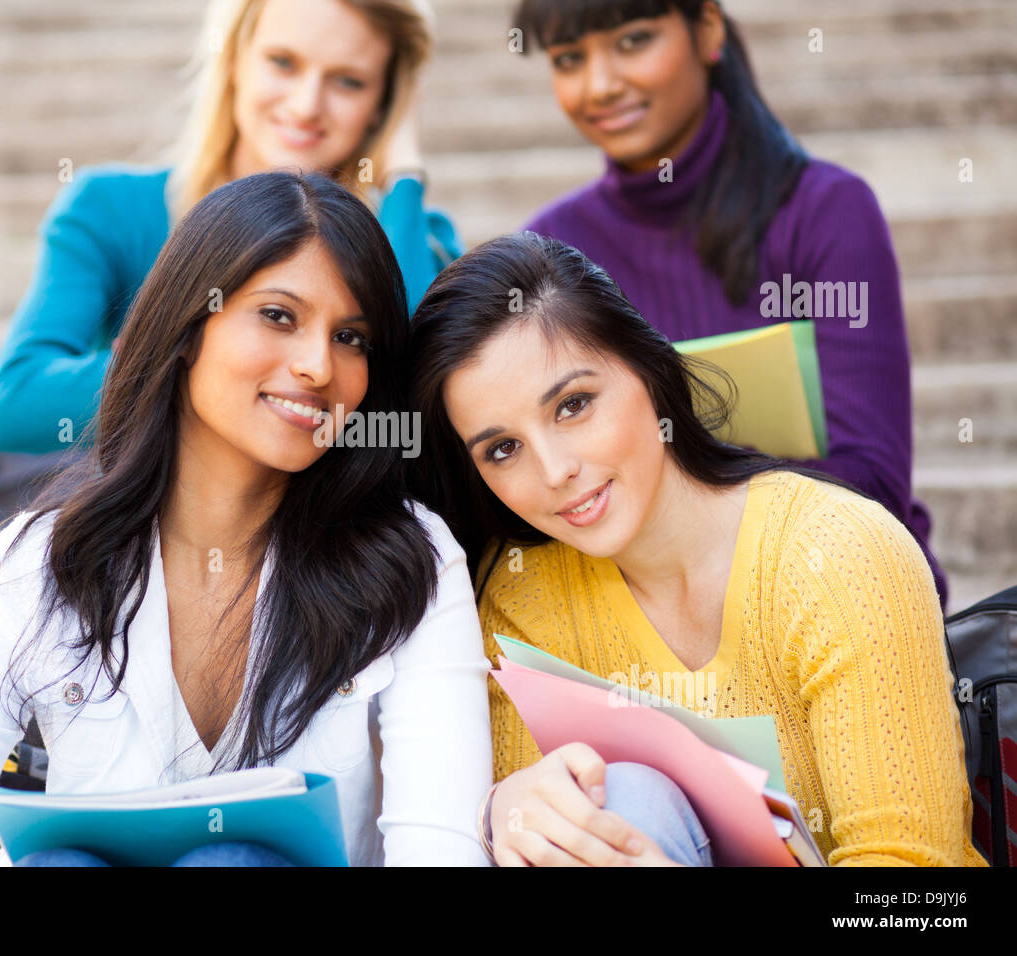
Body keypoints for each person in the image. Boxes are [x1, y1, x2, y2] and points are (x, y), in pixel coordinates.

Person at [0, 172, 492, 867]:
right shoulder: (39, 561)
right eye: (278, 315)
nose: (316, 366)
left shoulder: (412, 561)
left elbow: (442, 852)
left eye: (352, 338)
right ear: (187, 327)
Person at [408, 230, 986, 867]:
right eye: (502, 449)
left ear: (650, 372)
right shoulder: (520, 605)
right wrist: (502, 811)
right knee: (609, 804)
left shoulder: (839, 555)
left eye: (573, 405)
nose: (553, 471)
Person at [510, 0, 948, 608]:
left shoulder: (827, 212)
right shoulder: (551, 250)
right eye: (568, 59)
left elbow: (872, 484)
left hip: (834, 592)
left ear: (707, 28)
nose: (601, 84)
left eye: (634, 40)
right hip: (650, 611)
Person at [0, 0, 460, 455]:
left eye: (349, 81)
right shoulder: (113, 208)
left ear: (384, 103)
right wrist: (215, 362)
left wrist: (404, 179)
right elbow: (19, 404)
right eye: (282, 62)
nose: (306, 105)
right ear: (234, 59)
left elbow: (416, 412)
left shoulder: (418, 235)